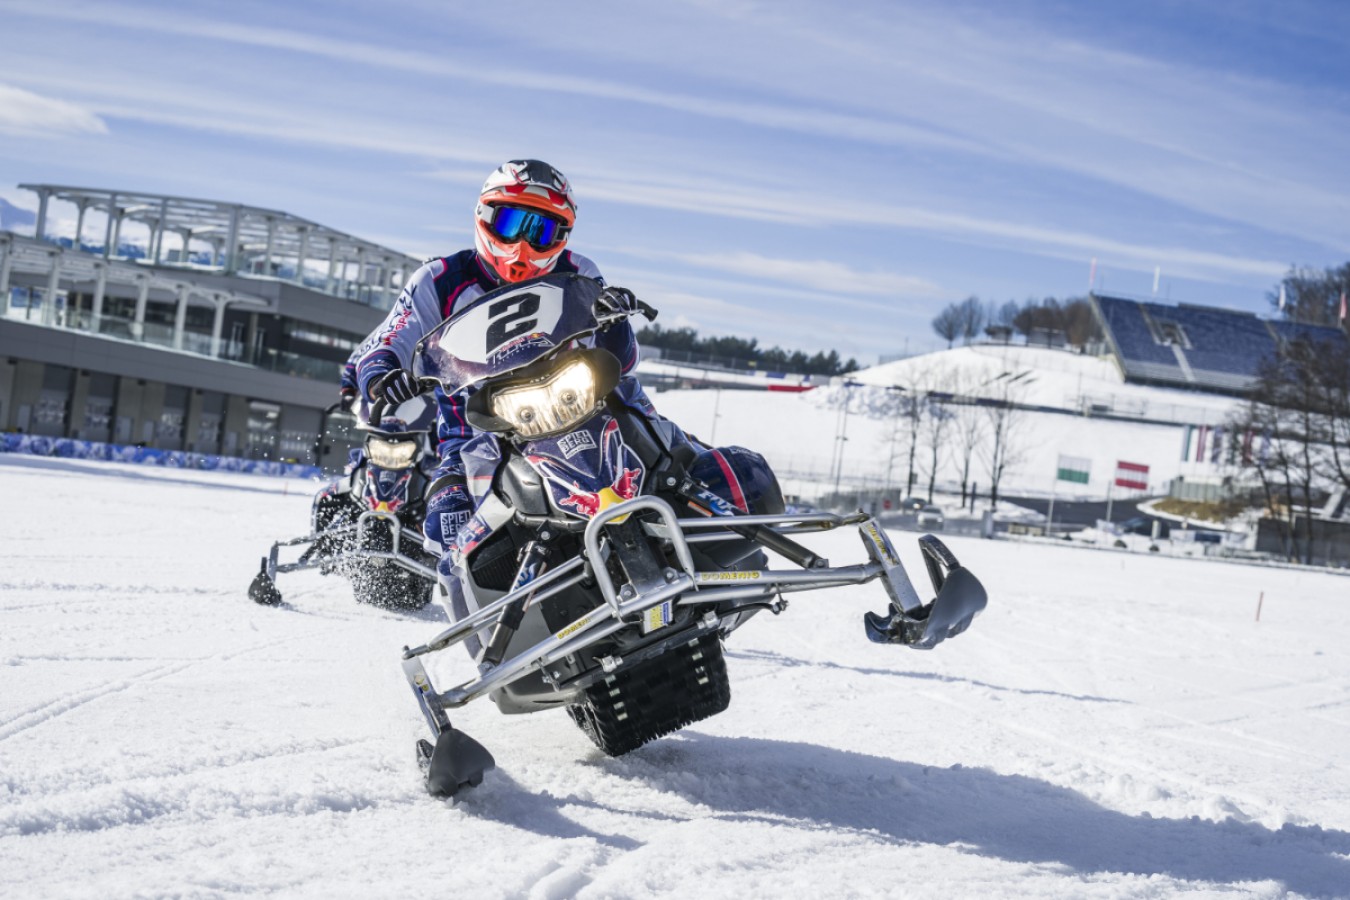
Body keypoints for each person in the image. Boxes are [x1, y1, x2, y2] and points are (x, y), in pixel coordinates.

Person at [353, 159, 656, 594]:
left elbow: (622, 360)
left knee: (652, 433)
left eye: (542, 231)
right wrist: (382, 373)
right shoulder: (438, 280)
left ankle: (706, 512)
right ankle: (487, 615)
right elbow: (393, 336)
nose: (523, 244)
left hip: (577, 415)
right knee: (447, 525)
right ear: (484, 215)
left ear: (563, 235)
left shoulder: (580, 272)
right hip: (473, 434)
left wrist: (616, 320)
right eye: (511, 223)